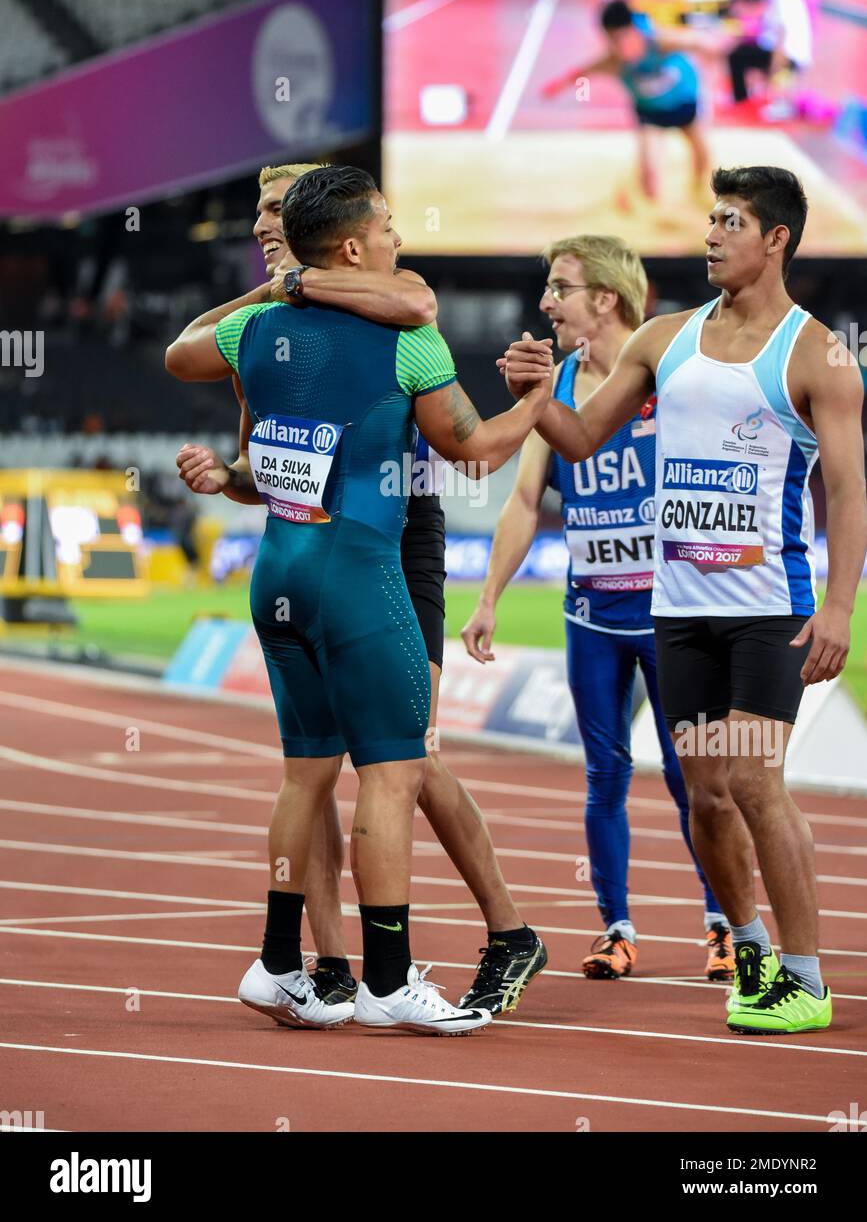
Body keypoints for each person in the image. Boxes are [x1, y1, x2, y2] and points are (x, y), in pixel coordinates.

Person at [166, 165, 554, 1034]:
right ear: (352, 245)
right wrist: (539, 396)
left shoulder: (255, 331)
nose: (397, 238)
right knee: (390, 771)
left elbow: (201, 383)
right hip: (360, 574)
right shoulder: (408, 340)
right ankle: (386, 982)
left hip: (278, 576)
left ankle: (277, 965)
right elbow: (478, 454)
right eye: (385, 225)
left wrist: (275, 291)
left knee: (306, 772)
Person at [500, 165, 867, 1035]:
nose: (709, 234)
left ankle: (807, 978)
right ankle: (748, 948)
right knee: (701, 789)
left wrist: (838, 606)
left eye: (728, 221)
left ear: (774, 238)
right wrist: (535, 394)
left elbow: (850, 492)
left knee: (750, 777)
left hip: (767, 607)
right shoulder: (663, 339)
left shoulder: (817, 352)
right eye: (707, 218)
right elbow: (582, 440)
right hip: (680, 608)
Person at [461, 234, 731, 980]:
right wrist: (488, 600)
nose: (545, 303)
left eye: (560, 288)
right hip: (591, 617)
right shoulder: (558, 390)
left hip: (672, 612)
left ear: (604, 298)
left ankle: (723, 926)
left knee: (693, 776)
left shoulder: (670, 377)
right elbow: (521, 500)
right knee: (603, 774)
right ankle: (616, 928)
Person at [541, 0, 714, 207]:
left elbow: (696, 42)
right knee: (648, 169)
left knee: (701, 152)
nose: (618, 46)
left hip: (685, 104)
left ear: (633, 30)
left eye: (621, 38)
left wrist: (716, 51)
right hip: (649, 112)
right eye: (611, 40)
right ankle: (651, 209)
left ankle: (695, 190)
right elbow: (583, 72)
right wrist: (557, 87)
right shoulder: (612, 61)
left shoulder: (660, 42)